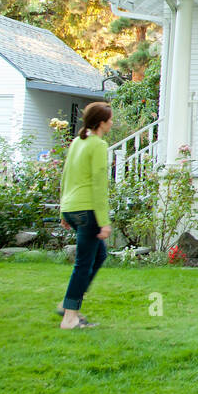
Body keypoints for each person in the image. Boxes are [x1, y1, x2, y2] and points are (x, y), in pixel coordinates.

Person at [57, 101, 113, 329]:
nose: (112, 123)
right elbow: (99, 185)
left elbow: (65, 176)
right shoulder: (97, 145)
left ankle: (68, 302)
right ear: (101, 123)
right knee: (83, 264)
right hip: (87, 209)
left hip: (72, 207)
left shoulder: (77, 143)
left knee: (98, 256)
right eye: (110, 120)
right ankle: (70, 317)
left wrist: (63, 210)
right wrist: (104, 222)